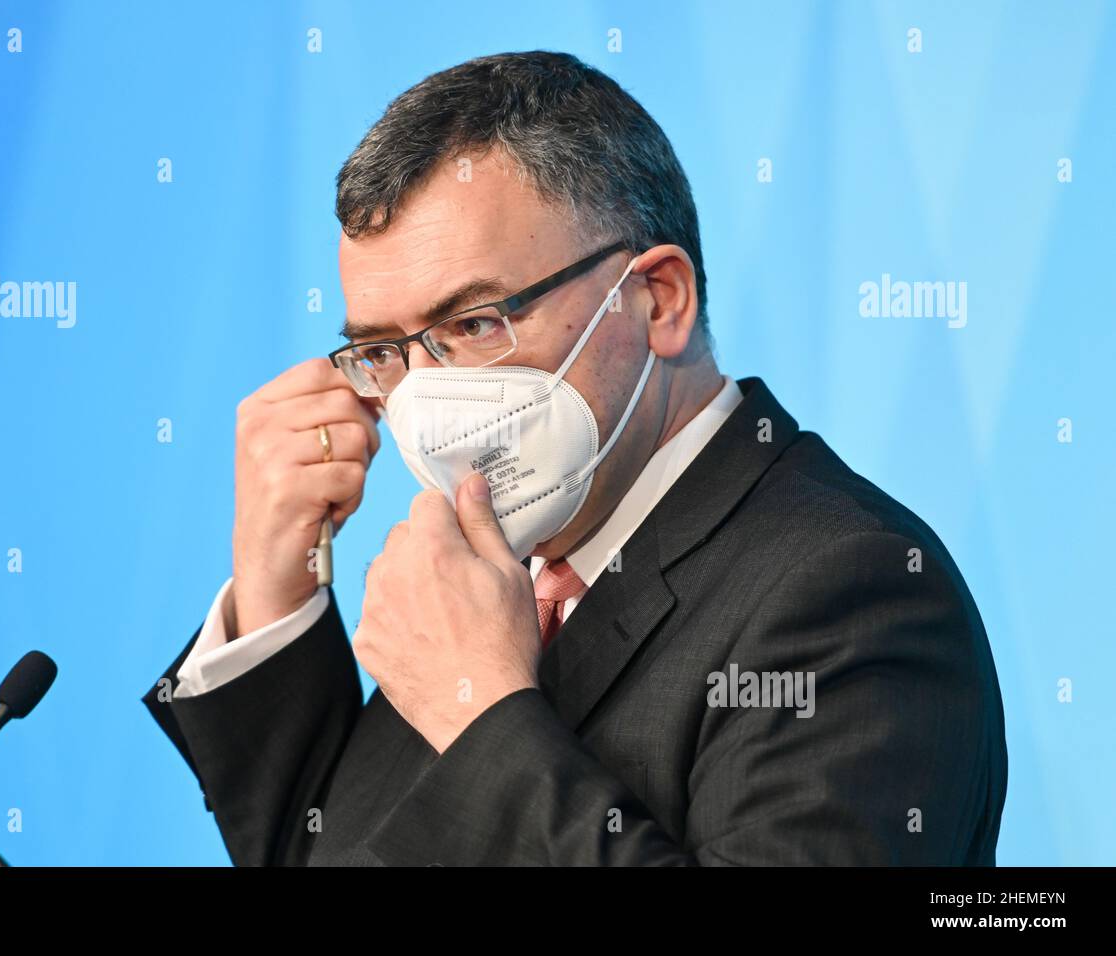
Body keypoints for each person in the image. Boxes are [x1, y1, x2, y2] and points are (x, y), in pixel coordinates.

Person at [142, 51, 1007, 866]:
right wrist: (273, 586)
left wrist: (477, 710)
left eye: (475, 324)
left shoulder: (856, 590)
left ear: (657, 299)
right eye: (383, 350)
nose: (422, 399)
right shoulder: (489, 584)